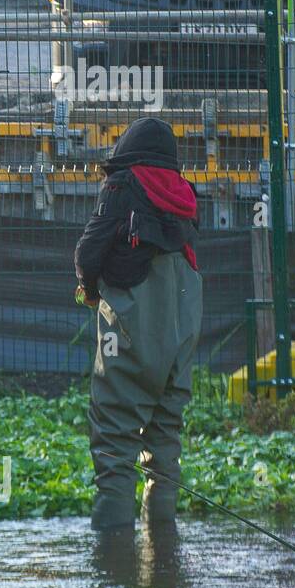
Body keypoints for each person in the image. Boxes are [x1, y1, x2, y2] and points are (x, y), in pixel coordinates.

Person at [75, 117, 202, 530]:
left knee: (114, 440)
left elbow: (87, 253)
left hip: (130, 324)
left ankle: (112, 565)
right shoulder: (185, 194)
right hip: (181, 323)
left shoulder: (122, 185)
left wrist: (91, 290)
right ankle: (163, 552)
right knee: (165, 440)